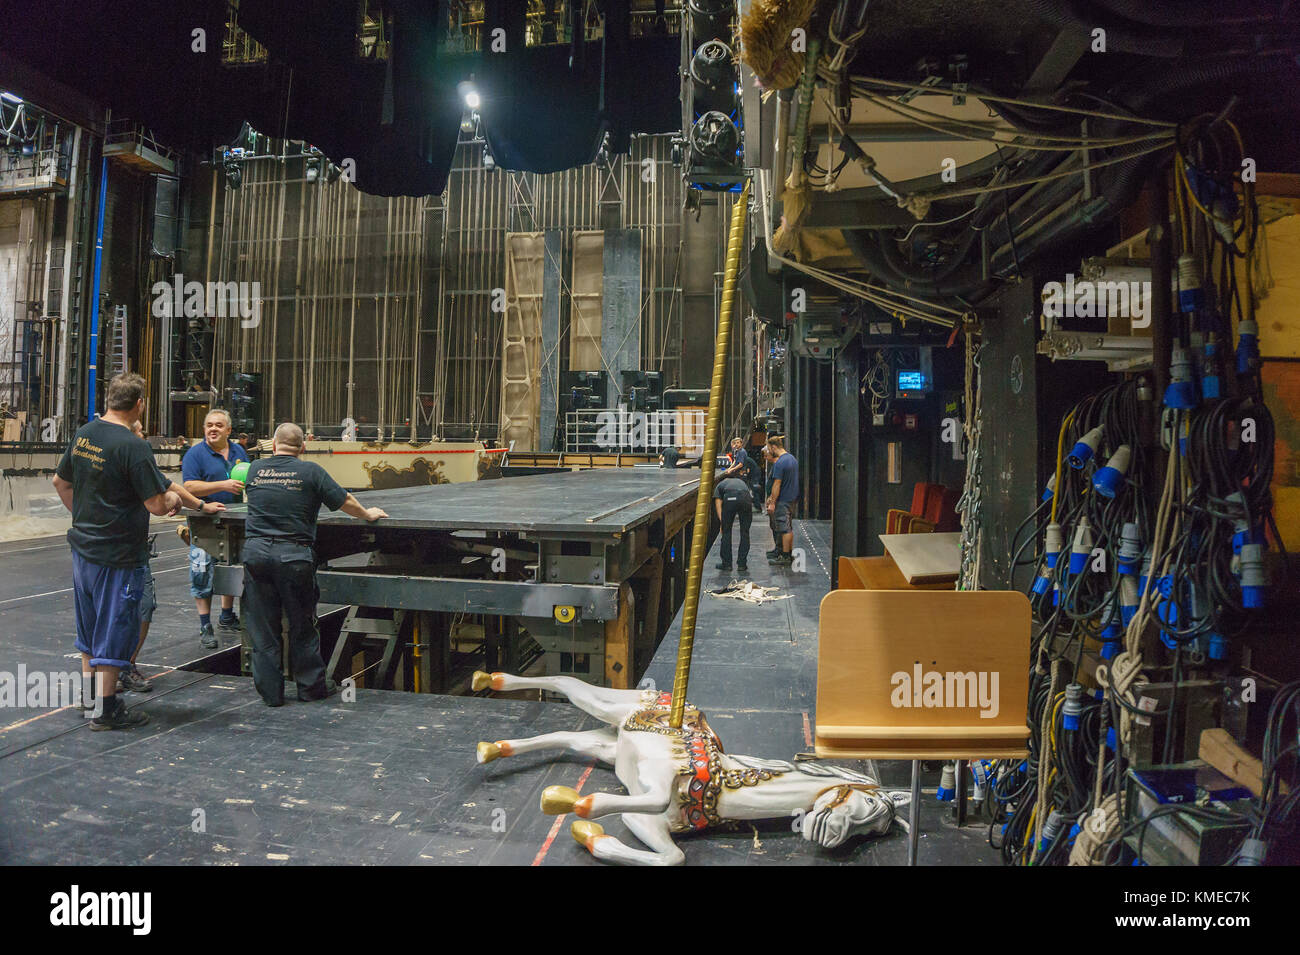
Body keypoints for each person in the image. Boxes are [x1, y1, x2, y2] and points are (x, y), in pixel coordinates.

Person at [50, 373, 221, 730]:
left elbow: (60, 482)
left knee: (90, 625)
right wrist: (174, 499)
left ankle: (89, 697)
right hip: (118, 555)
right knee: (116, 625)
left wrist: (86, 519)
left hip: (83, 549)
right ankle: (107, 708)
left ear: (111, 399)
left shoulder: (85, 435)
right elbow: (158, 504)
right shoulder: (133, 446)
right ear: (139, 403)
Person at [242, 422, 387, 707]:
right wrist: (368, 515)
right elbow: (344, 501)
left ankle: (271, 694)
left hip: (256, 554)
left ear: (273, 445)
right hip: (294, 556)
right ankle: (310, 688)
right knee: (302, 624)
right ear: (303, 448)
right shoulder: (311, 472)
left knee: (263, 628)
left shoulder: (254, 470)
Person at [121, 420, 225, 694]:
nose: (144, 435)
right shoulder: (138, 454)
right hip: (125, 551)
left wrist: (199, 504)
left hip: (112, 547)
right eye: (140, 430)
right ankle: (121, 668)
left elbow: (62, 483)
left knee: (134, 608)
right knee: (141, 606)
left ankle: (114, 671)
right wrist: (183, 502)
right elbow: (166, 496)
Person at [181, 409, 250, 649]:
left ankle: (227, 616)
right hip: (204, 523)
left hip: (235, 521)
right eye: (209, 425)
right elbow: (188, 486)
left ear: (228, 430)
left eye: (219, 425)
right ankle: (204, 625)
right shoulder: (195, 454)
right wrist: (222, 485)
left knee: (231, 568)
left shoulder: (239, 451)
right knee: (201, 573)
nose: (213, 429)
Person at [765, 435, 800, 564]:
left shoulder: (780, 462)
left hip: (783, 499)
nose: (769, 452)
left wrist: (772, 502)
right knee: (788, 526)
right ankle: (788, 554)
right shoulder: (792, 459)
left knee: (785, 528)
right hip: (792, 498)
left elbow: (777, 483)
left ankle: (785, 557)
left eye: (769, 449)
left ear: (774, 447)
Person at [713, 473, 753, 573]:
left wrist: (723, 523)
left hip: (730, 497)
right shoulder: (741, 482)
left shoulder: (719, 485)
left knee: (726, 532)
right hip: (746, 498)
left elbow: (718, 505)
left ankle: (727, 564)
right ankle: (742, 564)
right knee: (745, 532)